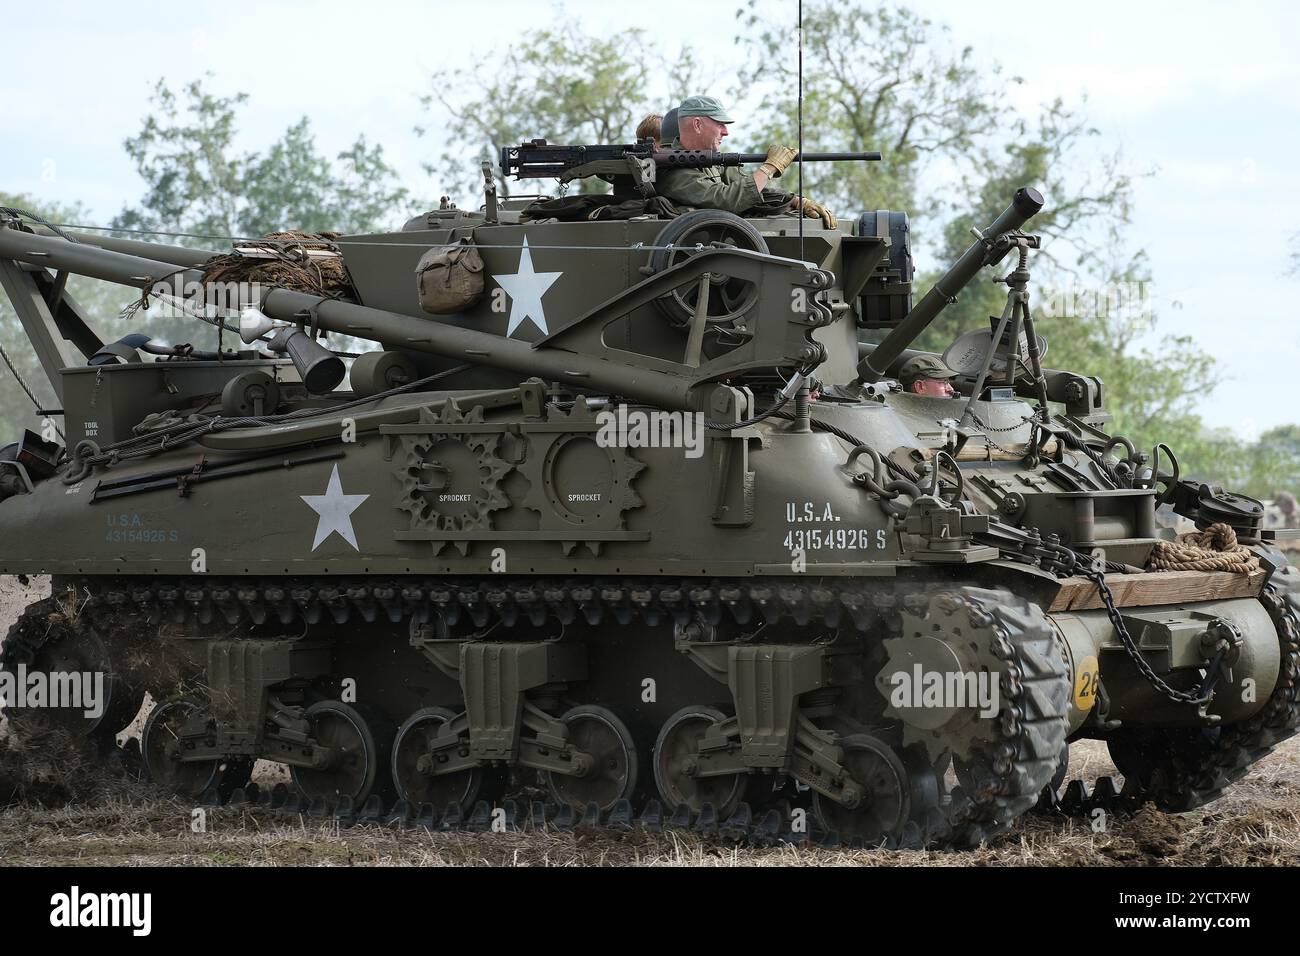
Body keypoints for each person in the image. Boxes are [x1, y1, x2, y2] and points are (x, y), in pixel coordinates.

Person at [656, 95, 837, 228]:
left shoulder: (706, 159)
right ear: (697, 125)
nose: (726, 132)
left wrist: (795, 201)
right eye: (720, 124)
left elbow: (748, 190)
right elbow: (725, 199)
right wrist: (769, 168)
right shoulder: (671, 169)